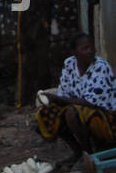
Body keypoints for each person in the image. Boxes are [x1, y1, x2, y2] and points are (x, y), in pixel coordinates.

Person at [36, 33, 116, 165]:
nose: (90, 51)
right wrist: (53, 101)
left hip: (107, 116)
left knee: (72, 113)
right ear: (74, 52)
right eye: (85, 48)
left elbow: (90, 102)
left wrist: (56, 98)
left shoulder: (101, 67)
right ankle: (78, 152)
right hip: (82, 110)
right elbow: (64, 93)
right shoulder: (69, 64)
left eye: (91, 47)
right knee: (47, 112)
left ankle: (90, 155)